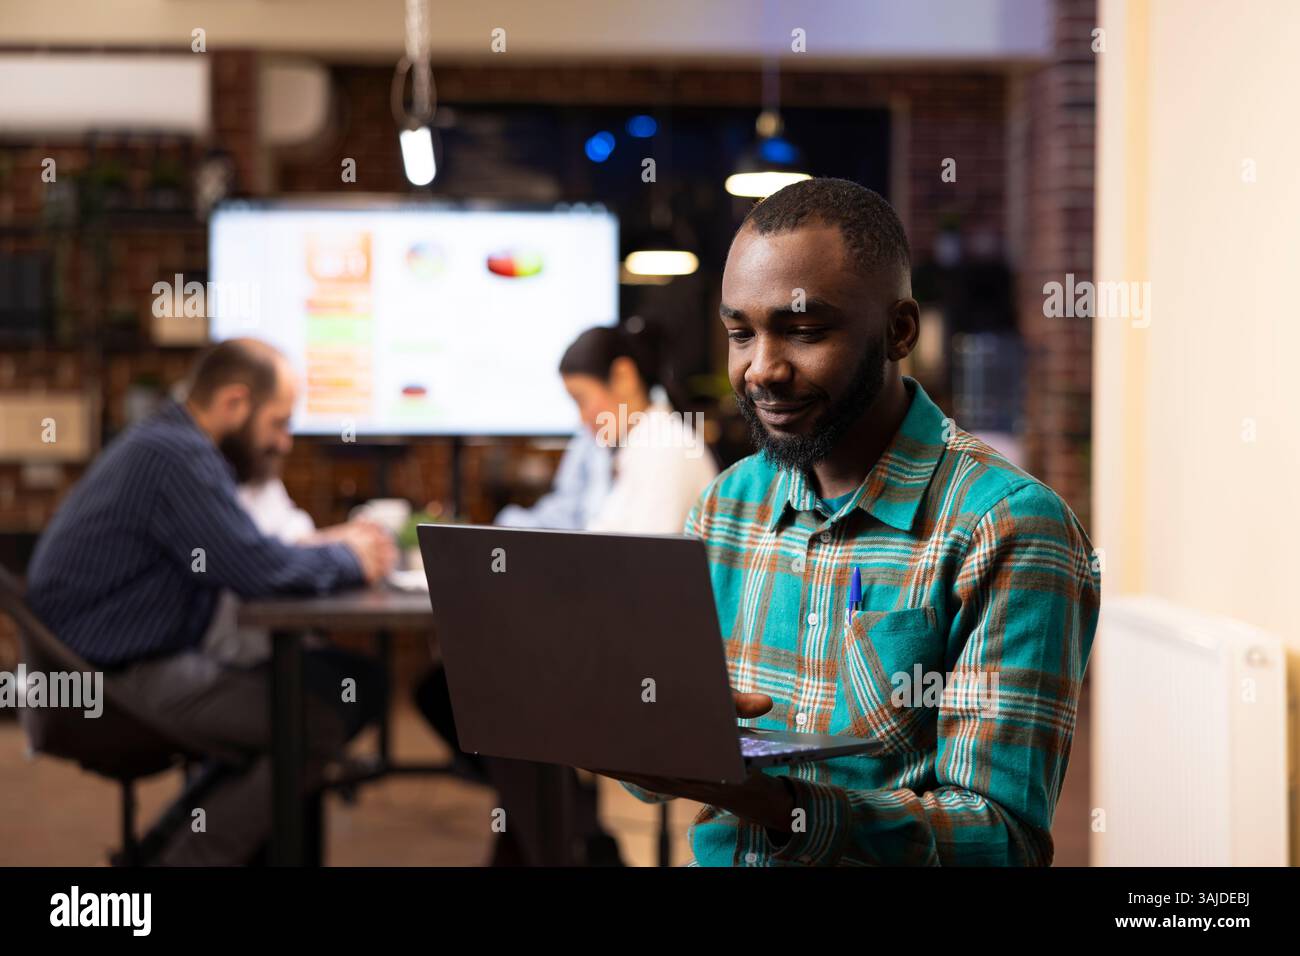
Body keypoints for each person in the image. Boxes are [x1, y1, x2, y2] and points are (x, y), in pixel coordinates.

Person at [600, 178, 1101, 866]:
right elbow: (660, 766)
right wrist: (636, 726)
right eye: (740, 333)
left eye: (804, 331)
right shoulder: (728, 506)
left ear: (899, 332)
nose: (762, 370)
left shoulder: (1008, 527)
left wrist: (776, 804)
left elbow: (1002, 841)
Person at [26, 338, 396, 865]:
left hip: (97, 668)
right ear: (234, 403)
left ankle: (154, 854)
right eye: (278, 423)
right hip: (115, 683)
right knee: (313, 724)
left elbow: (243, 552)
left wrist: (325, 550)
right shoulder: (178, 457)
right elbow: (258, 572)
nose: (285, 442)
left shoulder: (165, 442)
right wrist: (351, 560)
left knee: (320, 692)